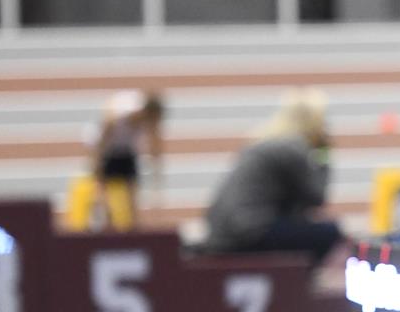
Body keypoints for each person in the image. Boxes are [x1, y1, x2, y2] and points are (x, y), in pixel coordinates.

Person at [200, 88, 341, 265]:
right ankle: (298, 282)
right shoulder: (292, 149)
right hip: (248, 232)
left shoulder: (267, 141)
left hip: (225, 231)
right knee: (329, 232)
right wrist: (324, 152)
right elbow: (317, 197)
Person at [91, 89, 165, 224]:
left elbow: (156, 145)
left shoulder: (148, 119)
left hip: (126, 151)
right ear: (145, 113)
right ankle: (105, 221)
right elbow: (102, 139)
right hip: (108, 150)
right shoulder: (119, 115)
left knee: (132, 198)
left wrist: (156, 176)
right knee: (104, 199)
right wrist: (96, 164)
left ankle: (133, 227)